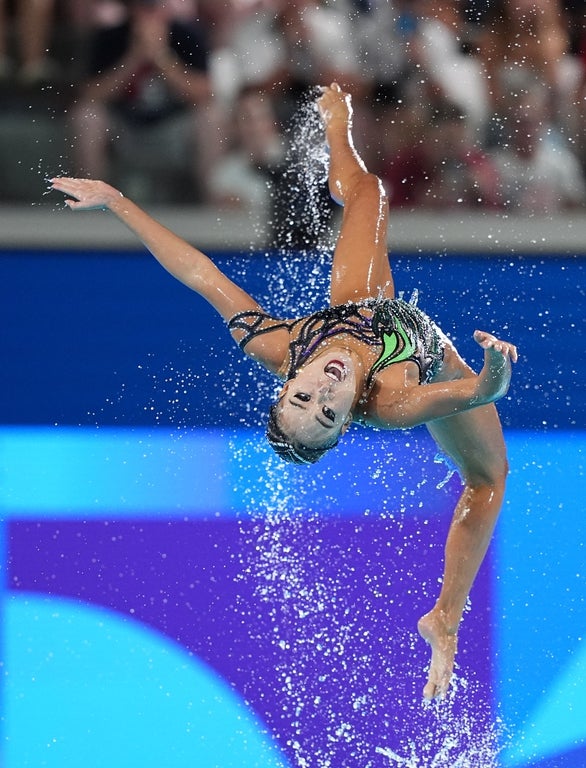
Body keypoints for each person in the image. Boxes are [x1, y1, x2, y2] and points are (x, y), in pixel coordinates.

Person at [50, 83, 518, 701]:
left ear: (287, 382)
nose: (322, 393)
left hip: (362, 308)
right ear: (349, 416)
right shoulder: (392, 403)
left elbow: (199, 273)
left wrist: (115, 200)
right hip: (425, 358)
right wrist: (494, 374)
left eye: (301, 399)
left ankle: (336, 132)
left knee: (369, 191)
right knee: (487, 479)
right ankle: (446, 617)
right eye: (328, 414)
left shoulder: (276, 343)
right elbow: (473, 391)